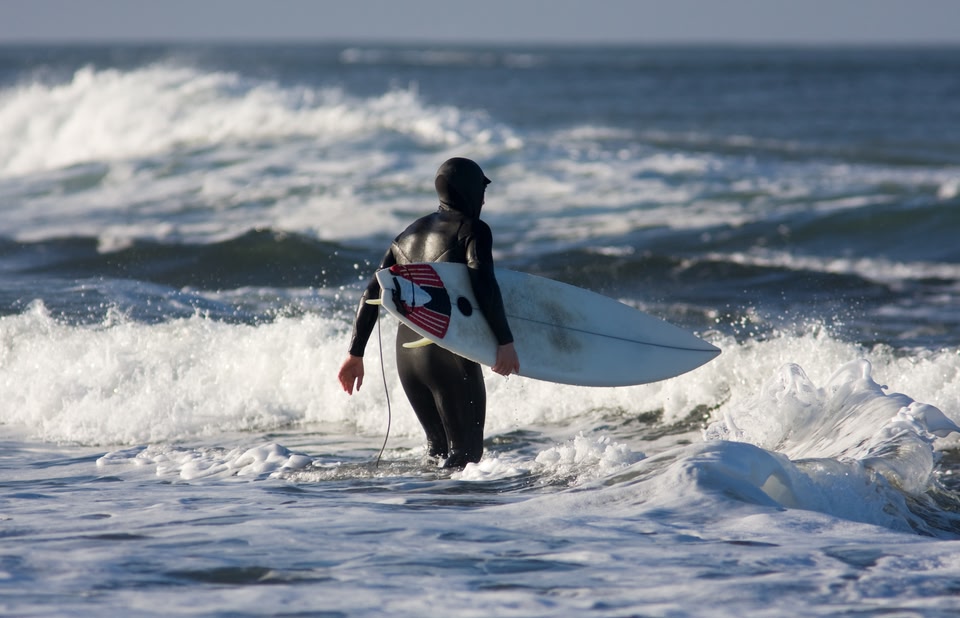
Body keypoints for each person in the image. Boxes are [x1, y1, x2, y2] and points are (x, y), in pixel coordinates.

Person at [337, 157, 520, 469]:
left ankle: (429, 502)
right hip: (447, 349)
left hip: (408, 355)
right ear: (470, 191)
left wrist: (355, 354)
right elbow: (483, 284)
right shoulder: (473, 229)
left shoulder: (406, 235)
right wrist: (504, 342)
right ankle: (461, 503)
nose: (484, 200)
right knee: (467, 455)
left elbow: (372, 292)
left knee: (438, 453)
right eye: (482, 192)